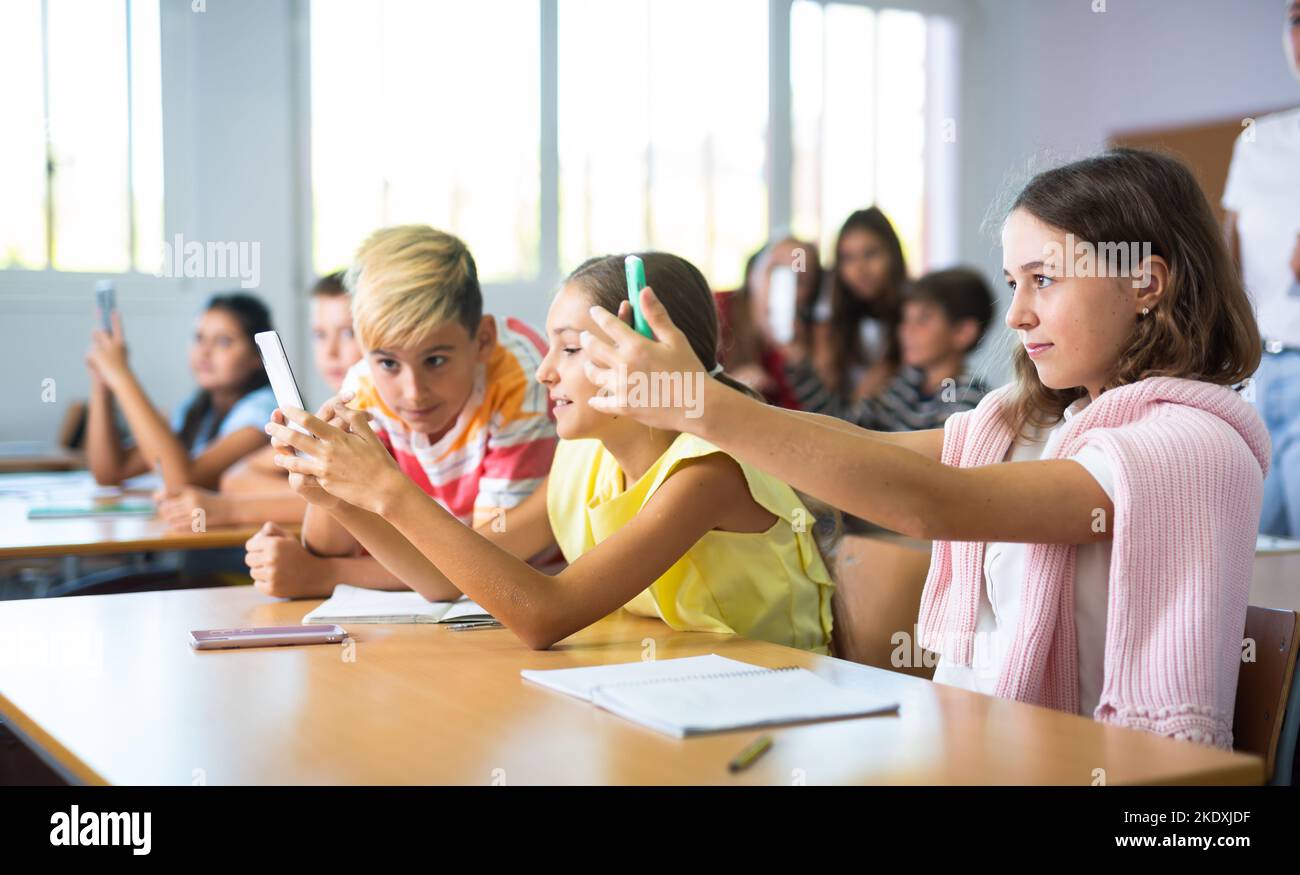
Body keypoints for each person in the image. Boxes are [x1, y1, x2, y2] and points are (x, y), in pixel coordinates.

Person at [581, 149, 1267, 748]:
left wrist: (705, 405)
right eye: (1013, 284)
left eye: (1045, 279)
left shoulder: (1191, 444)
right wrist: (704, 395)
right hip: (998, 749)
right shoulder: (1040, 422)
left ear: (1145, 283)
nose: (1020, 312)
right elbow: (873, 452)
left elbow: (930, 503)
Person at [266, 252, 838, 653]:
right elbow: (448, 580)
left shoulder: (707, 473)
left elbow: (546, 615)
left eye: (568, 349)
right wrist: (342, 497)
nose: (543, 371)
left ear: (639, 352)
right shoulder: (585, 459)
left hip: (767, 706)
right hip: (669, 691)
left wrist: (387, 489)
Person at [244, 226, 558, 598]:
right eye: (389, 362)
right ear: (365, 349)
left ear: (483, 340)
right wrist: (323, 489)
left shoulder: (521, 380)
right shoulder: (363, 384)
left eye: (436, 359)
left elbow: (483, 564)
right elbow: (330, 546)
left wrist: (324, 575)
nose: (414, 392)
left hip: (530, 585)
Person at [156, 272, 364, 530]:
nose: (330, 351)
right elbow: (235, 479)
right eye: (319, 335)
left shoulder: (375, 422)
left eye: (348, 333)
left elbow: (360, 503)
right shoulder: (332, 418)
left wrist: (229, 509)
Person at [1222, 0, 1300, 536]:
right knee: (1254, 558)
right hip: (1256, 373)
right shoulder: (1257, 139)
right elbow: (1225, 256)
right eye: (1296, 20)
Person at [85, 292, 277, 493]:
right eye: (199, 338)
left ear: (258, 356)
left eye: (224, 341)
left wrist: (121, 376)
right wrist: (103, 381)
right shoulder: (195, 411)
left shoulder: (265, 412)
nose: (205, 351)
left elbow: (183, 480)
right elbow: (111, 472)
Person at [789, 267, 993, 432]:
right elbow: (847, 425)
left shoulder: (969, 398)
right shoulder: (908, 383)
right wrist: (800, 363)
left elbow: (931, 467)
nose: (906, 331)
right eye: (905, 319)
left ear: (963, 333)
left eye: (923, 320)